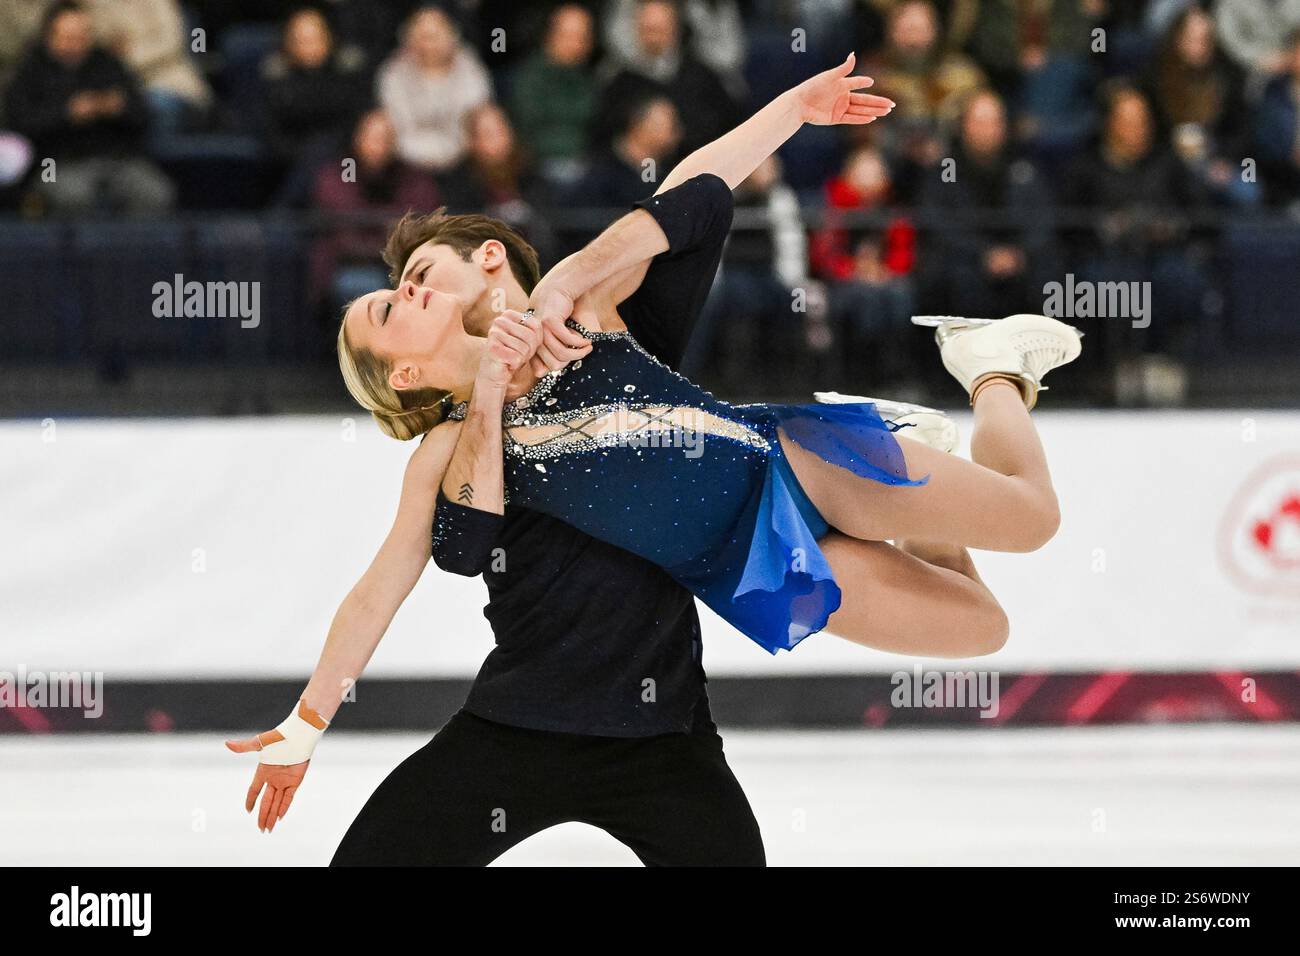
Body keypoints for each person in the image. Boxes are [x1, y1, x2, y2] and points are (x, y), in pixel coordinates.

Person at [227, 54, 899, 865]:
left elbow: (685, 194)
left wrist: (792, 109)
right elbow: (379, 590)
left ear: (483, 262)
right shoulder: (445, 448)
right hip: (521, 728)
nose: (408, 290)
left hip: (663, 733)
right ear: (403, 375)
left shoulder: (599, 330)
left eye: (414, 276)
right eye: (390, 301)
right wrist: (305, 723)